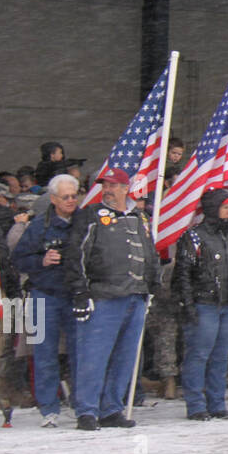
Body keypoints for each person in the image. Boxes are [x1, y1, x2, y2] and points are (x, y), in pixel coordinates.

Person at [62, 167, 161, 431]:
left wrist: (152, 284)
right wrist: (81, 292)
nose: (108, 190)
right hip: (103, 296)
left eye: (113, 185)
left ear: (126, 188)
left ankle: (112, 408)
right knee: (93, 356)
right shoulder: (91, 216)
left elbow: (149, 252)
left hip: (135, 295)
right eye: (105, 185)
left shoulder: (139, 217)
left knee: (125, 358)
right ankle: (87, 410)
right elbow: (76, 254)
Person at [173, 189, 228, 420]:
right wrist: (186, 303)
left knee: (221, 355)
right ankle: (195, 404)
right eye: (225, 207)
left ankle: (217, 402)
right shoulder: (194, 236)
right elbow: (183, 273)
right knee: (199, 354)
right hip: (204, 302)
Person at [11, 174, 80, 426]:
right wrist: (41, 260)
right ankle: (48, 408)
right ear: (53, 199)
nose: (71, 201)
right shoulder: (39, 225)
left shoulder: (85, 222)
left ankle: (82, 403)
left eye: (74, 195)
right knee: (44, 353)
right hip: (44, 293)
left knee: (81, 352)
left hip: (76, 294)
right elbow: (18, 259)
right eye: (66, 197)